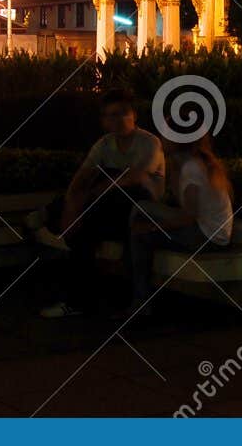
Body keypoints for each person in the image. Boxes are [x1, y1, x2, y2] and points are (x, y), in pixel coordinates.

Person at [38, 89, 165, 318]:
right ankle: (80, 299)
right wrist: (70, 208)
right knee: (81, 228)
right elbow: (80, 180)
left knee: (105, 196)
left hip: (139, 214)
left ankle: (49, 216)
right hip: (107, 212)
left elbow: (136, 178)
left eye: (121, 114)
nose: (116, 120)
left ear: (133, 115)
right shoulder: (104, 145)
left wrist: (92, 196)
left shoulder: (149, 143)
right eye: (109, 115)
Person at [120, 133, 234, 318]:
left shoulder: (192, 167)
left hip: (207, 237)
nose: (161, 139)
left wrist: (152, 228)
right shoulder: (189, 163)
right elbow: (184, 207)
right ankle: (131, 282)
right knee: (140, 209)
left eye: (166, 134)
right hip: (206, 230)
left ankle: (140, 301)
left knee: (141, 235)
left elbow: (187, 218)